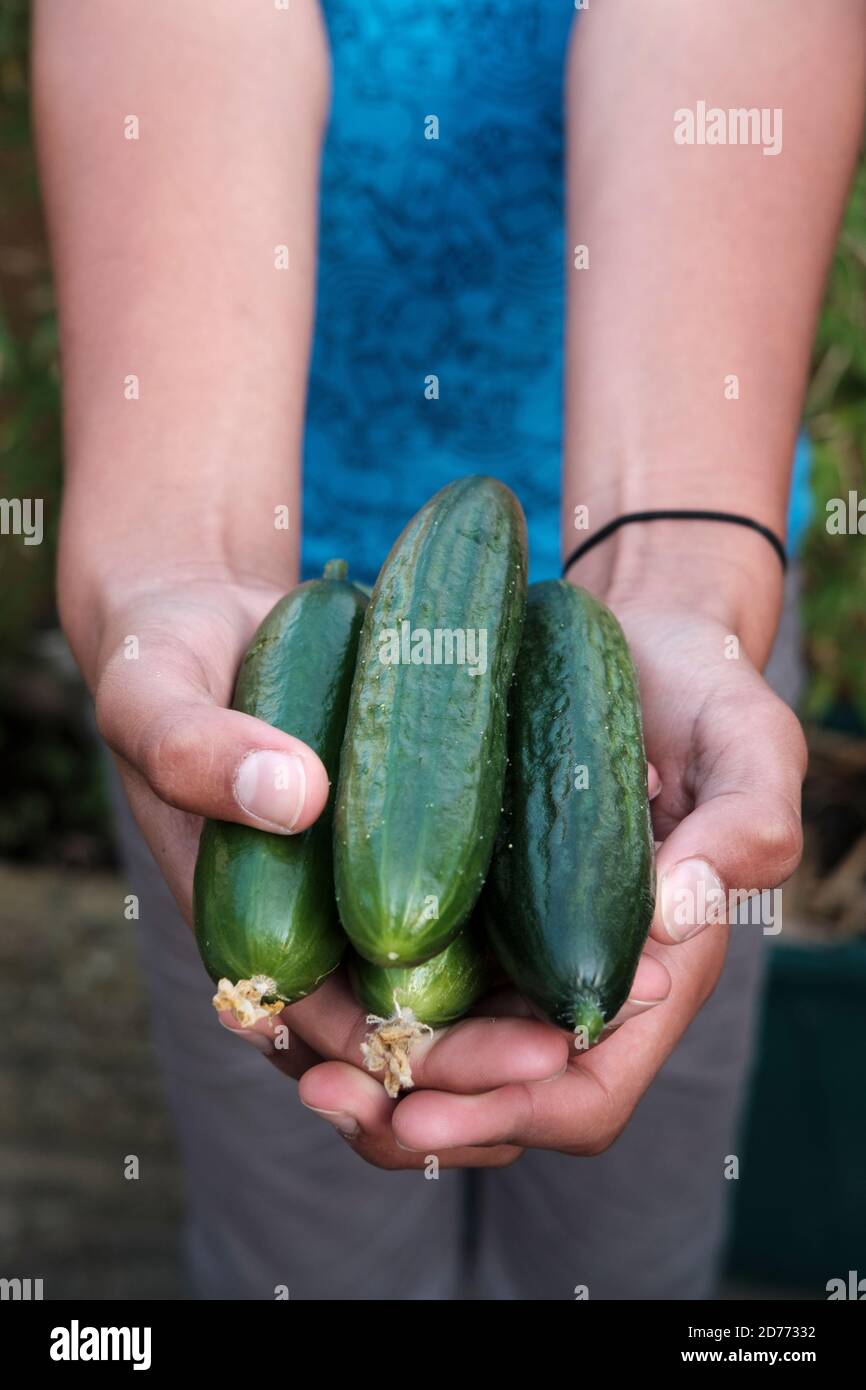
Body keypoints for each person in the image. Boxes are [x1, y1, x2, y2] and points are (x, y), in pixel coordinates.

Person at [35, 0, 866, 1299]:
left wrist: (678, 574)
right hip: (254, 660)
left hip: (667, 624)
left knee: (626, 1239)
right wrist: (173, 560)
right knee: (302, 1248)